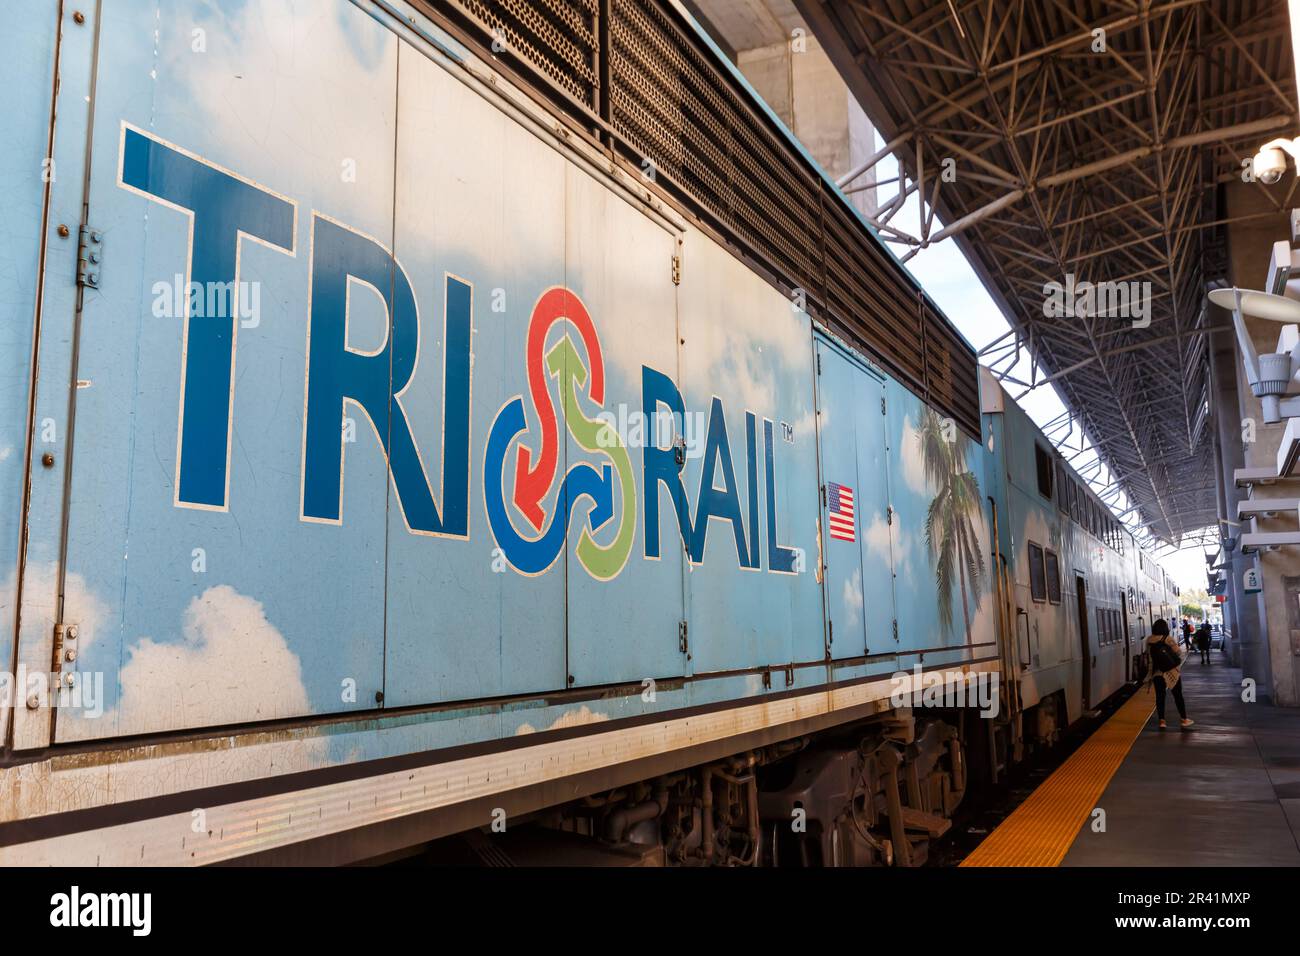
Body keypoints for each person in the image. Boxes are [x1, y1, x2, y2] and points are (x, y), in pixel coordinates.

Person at [1147, 619, 1193, 730]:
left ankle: (1162, 721)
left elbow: (1150, 659)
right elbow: (1179, 653)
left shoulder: (1149, 640)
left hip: (1157, 673)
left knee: (1160, 697)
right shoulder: (1167, 639)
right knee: (1178, 696)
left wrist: (1149, 675)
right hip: (1172, 673)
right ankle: (1184, 719)